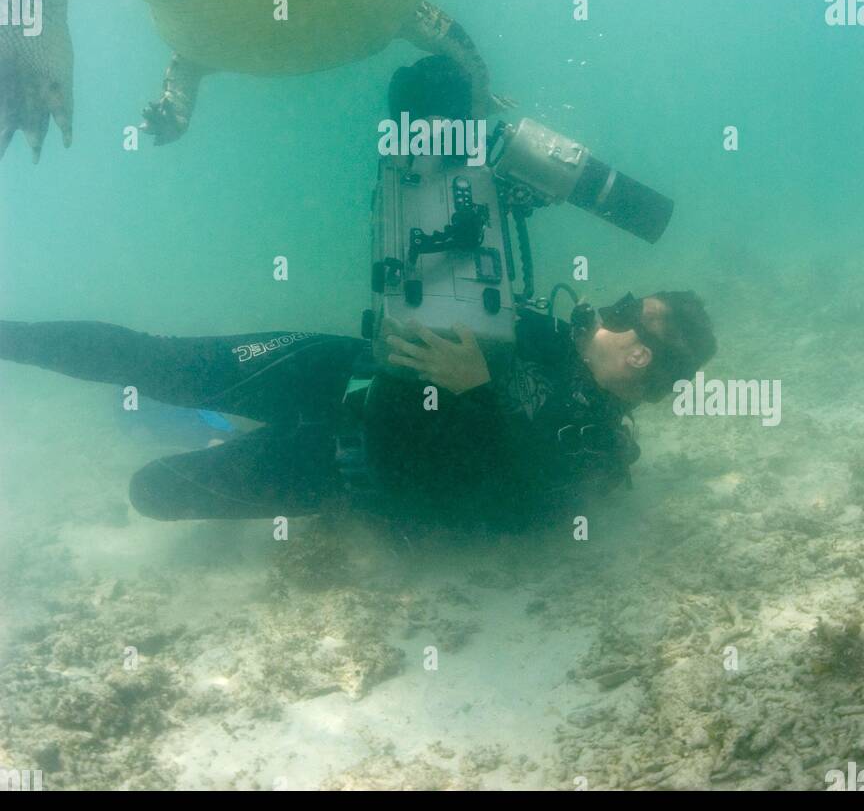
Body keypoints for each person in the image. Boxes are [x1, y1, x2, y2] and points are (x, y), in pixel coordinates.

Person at [0, 286, 716, 533]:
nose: (606, 312)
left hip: (342, 471)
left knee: (151, 491)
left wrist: (479, 392)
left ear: (642, 355)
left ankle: (213, 432)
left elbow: (519, 508)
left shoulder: (598, 447)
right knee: (158, 363)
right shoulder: (542, 329)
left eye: (626, 313)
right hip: (336, 372)